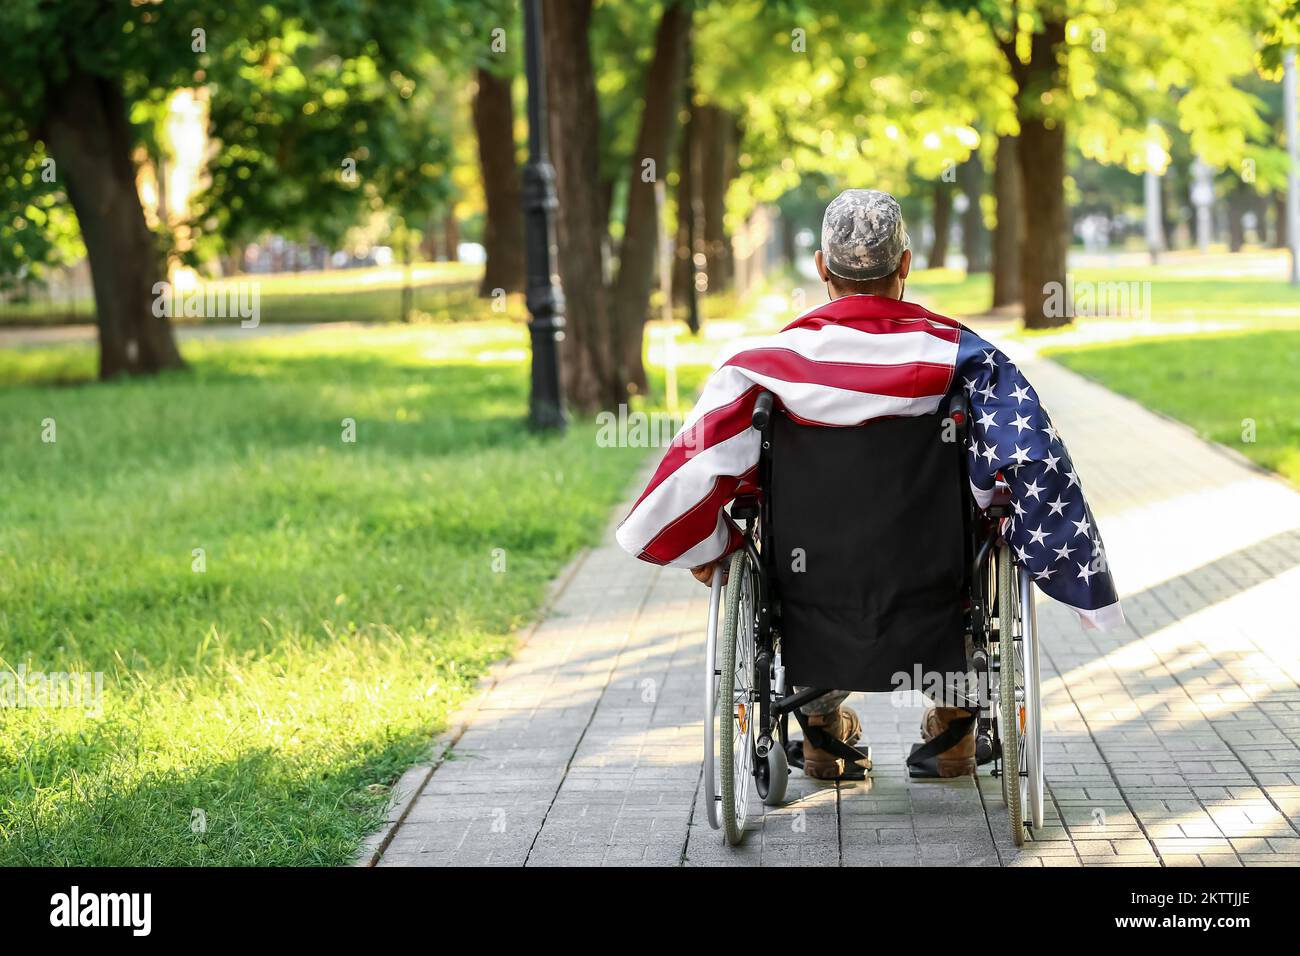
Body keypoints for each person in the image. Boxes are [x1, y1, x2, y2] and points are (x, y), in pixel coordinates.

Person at [619, 189, 1122, 780]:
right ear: (904, 265)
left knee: (789, 565)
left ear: (821, 270)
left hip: (812, 585)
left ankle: (822, 732)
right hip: (935, 579)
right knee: (985, 524)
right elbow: (1030, 462)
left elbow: (681, 482)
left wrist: (715, 551)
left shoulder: (762, 364)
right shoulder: (967, 355)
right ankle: (956, 727)